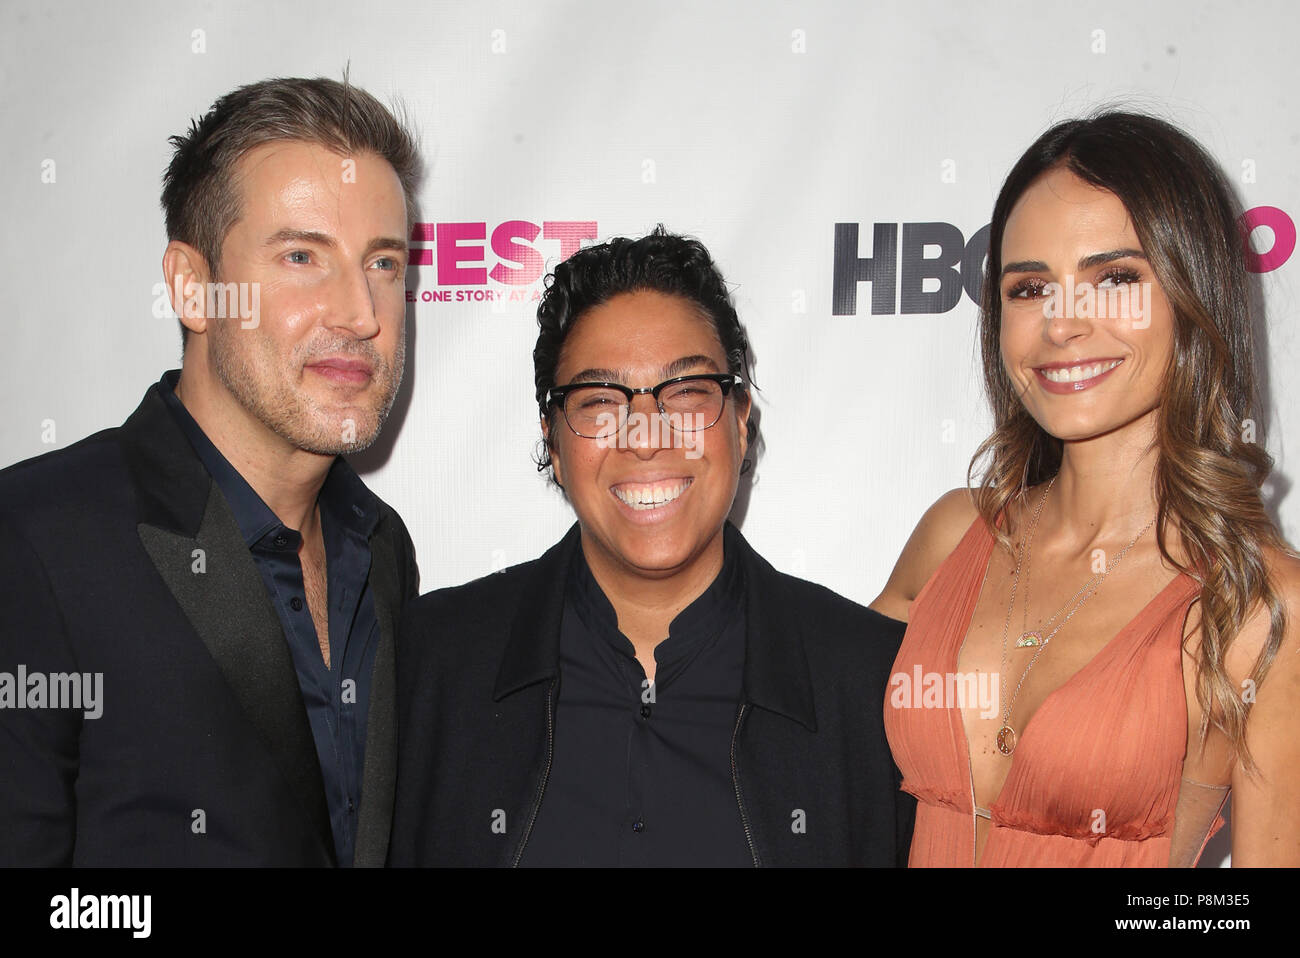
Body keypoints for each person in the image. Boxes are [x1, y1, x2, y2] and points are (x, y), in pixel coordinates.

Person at [391, 227, 913, 866]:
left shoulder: (870, 685)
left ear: (741, 422)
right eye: (600, 401)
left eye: (687, 393)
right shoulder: (430, 667)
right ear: (552, 443)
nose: (644, 436)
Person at [0, 76, 422, 866]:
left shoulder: (382, 550)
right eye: (302, 256)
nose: (362, 313)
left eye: (384, 263)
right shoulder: (33, 542)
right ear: (192, 289)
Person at [872, 110, 1300, 867]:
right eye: (1031, 288)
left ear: (1193, 295)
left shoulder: (1261, 605)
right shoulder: (953, 535)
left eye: (1115, 280)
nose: (1062, 325)